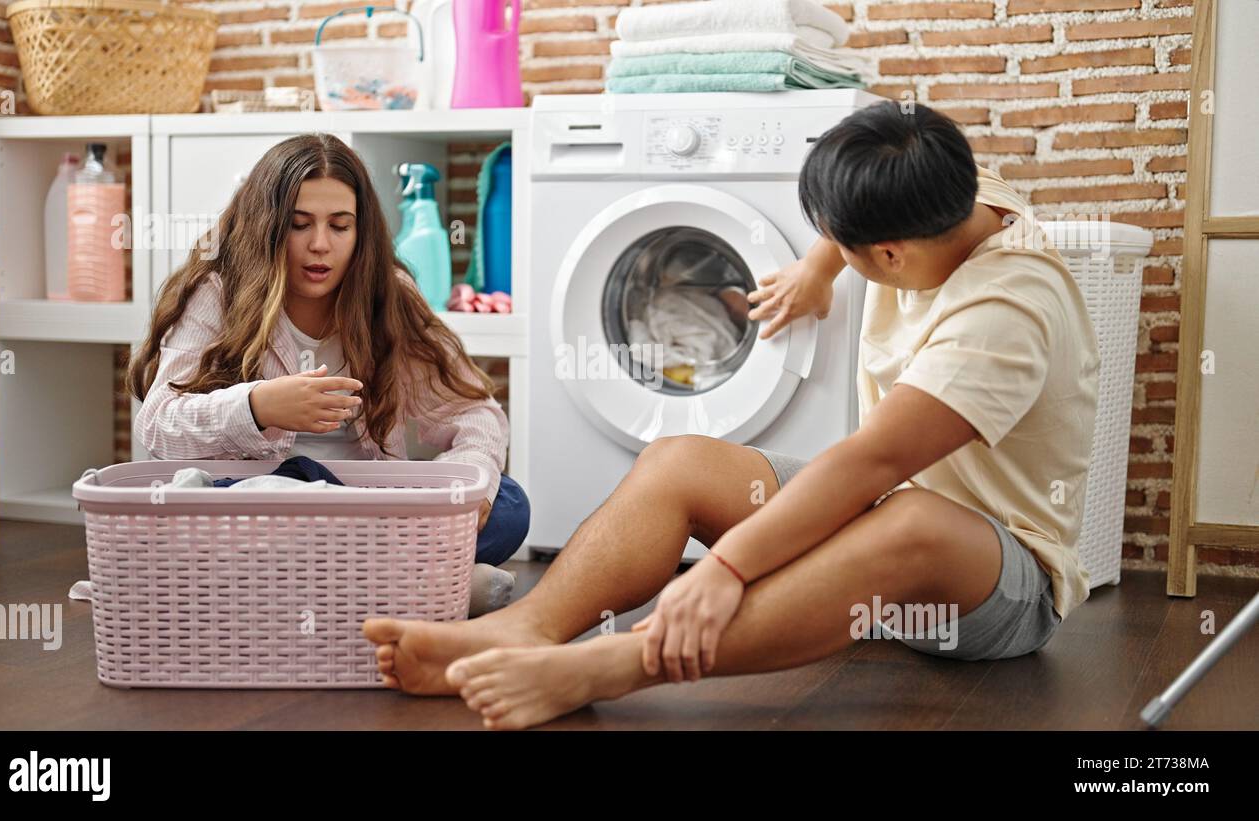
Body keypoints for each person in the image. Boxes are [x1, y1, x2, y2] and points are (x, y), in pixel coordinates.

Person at [362, 101, 1099, 729]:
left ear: (892, 254)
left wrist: (724, 570)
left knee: (914, 523)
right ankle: (525, 627)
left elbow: (871, 461)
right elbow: (869, 213)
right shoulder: (950, 186)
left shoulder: (1004, 312)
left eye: (844, 247)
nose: (835, 251)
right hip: (882, 516)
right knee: (682, 456)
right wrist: (817, 269)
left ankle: (607, 665)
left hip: (991, 589)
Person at [127, 133, 530, 576]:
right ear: (268, 225)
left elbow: (473, 411)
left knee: (508, 504)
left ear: (361, 231)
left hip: (361, 502)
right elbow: (158, 424)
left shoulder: (389, 295)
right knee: (280, 486)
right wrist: (257, 406)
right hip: (258, 498)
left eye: (340, 226)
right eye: (300, 224)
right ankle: (416, 579)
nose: (320, 244)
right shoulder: (218, 293)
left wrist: (471, 485)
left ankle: (331, 575)